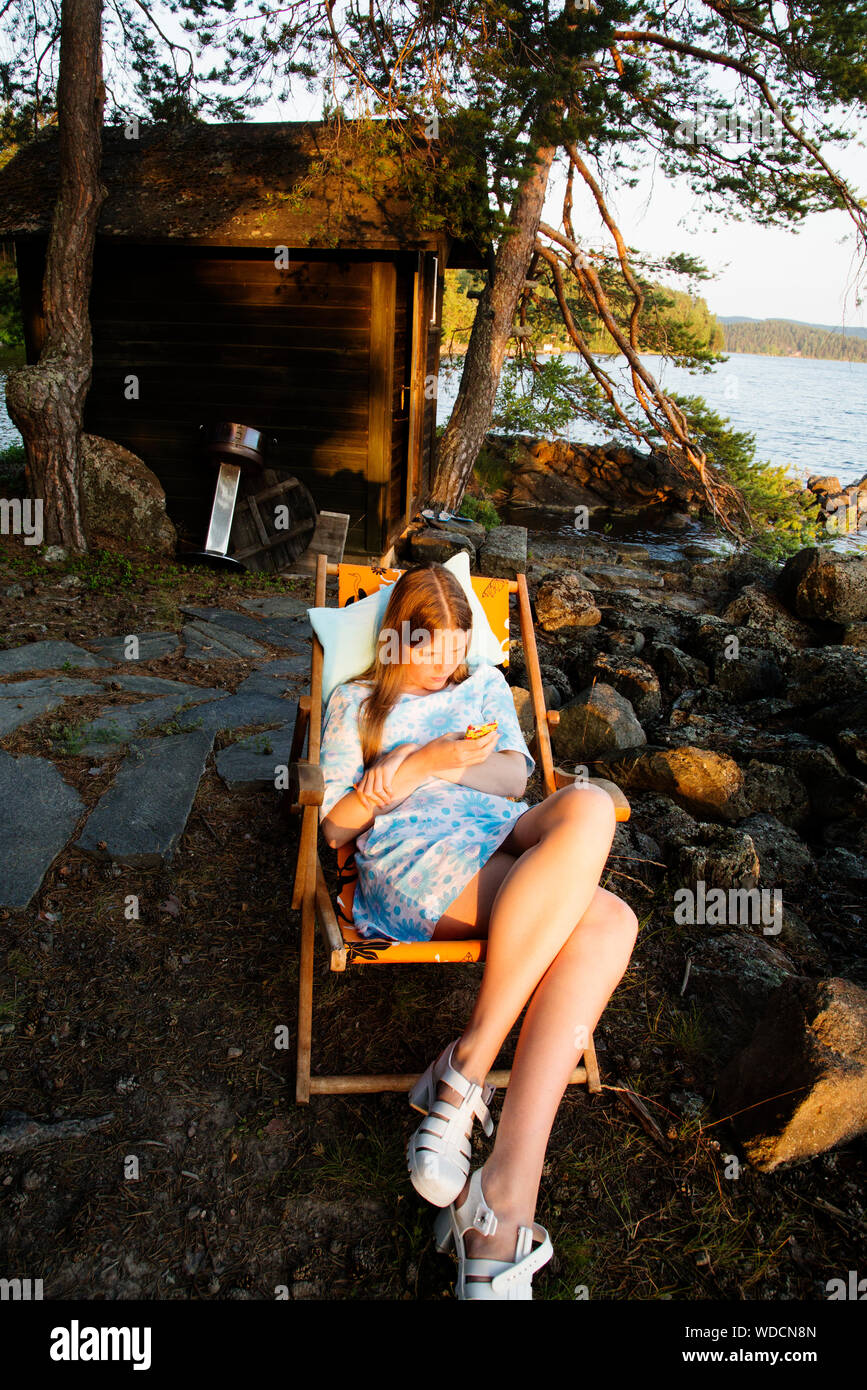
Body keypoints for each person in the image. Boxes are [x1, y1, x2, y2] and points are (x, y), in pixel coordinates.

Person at [319, 561, 638, 1299]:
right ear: (396, 643)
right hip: (416, 861)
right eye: (429, 654)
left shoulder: (483, 684)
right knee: (608, 921)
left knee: (587, 805)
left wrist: (441, 766)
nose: (445, 668)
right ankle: (500, 1208)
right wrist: (404, 769)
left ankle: (466, 1069)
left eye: (457, 649)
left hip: (501, 834)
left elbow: (512, 780)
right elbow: (334, 825)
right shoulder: (355, 703)